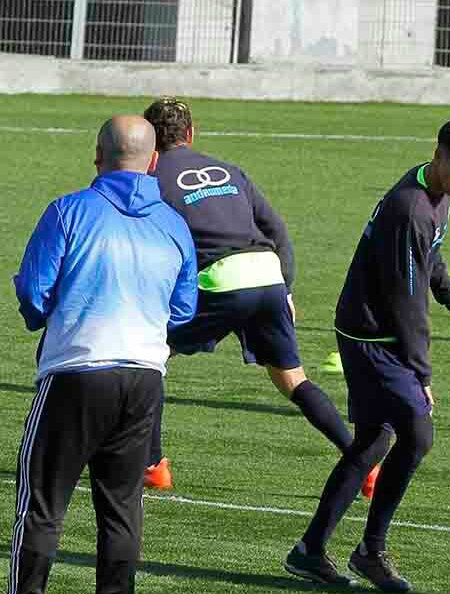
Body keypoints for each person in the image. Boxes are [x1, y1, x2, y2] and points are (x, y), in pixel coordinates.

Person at [283, 119, 450, 594]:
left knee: (374, 441)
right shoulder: (410, 208)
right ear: (439, 155)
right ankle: (370, 550)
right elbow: (405, 301)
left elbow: (429, 256)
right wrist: (421, 374)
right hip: (371, 337)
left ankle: (310, 550)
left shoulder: (435, 193)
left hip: (374, 331)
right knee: (417, 435)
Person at [1, 115, 198, 594]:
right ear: (153, 162)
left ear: (97, 156)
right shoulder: (174, 225)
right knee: (122, 507)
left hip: (77, 370)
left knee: (43, 502)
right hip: (144, 377)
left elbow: (33, 291)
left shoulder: (68, 210)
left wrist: (42, 316)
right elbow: (184, 309)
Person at [141, 97, 382, 495]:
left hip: (219, 281)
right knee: (292, 379)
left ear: (150, 139)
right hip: (267, 276)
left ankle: (153, 466)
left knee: (149, 357)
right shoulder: (229, 170)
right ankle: (364, 464)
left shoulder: (150, 180)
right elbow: (276, 230)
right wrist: (286, 288)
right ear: (191, 133)